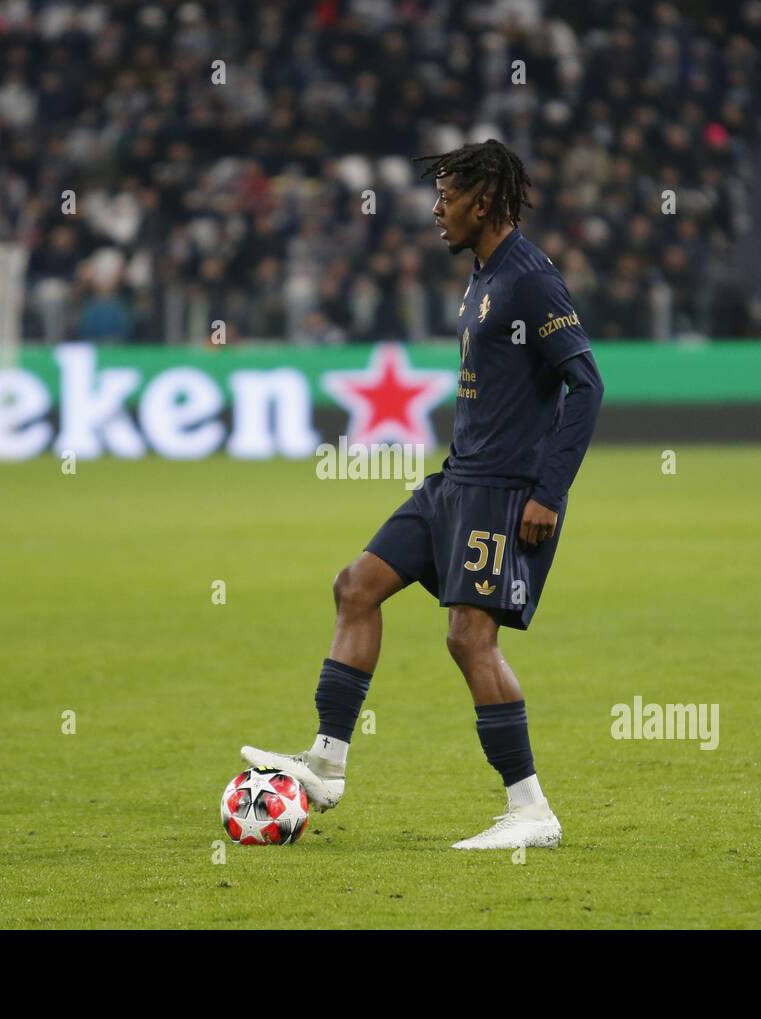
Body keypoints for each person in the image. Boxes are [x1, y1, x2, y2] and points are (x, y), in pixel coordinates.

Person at [242, 140, 604, 849]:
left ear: (484, 201)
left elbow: (586, 385)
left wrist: (548, 493)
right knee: (356, 586)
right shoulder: (481, 275)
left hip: (503, 492)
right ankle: (327, 763)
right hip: (454, 481)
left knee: (469, 637)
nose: (436, 210)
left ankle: (531, 810)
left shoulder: (530, 279)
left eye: (447, 197)